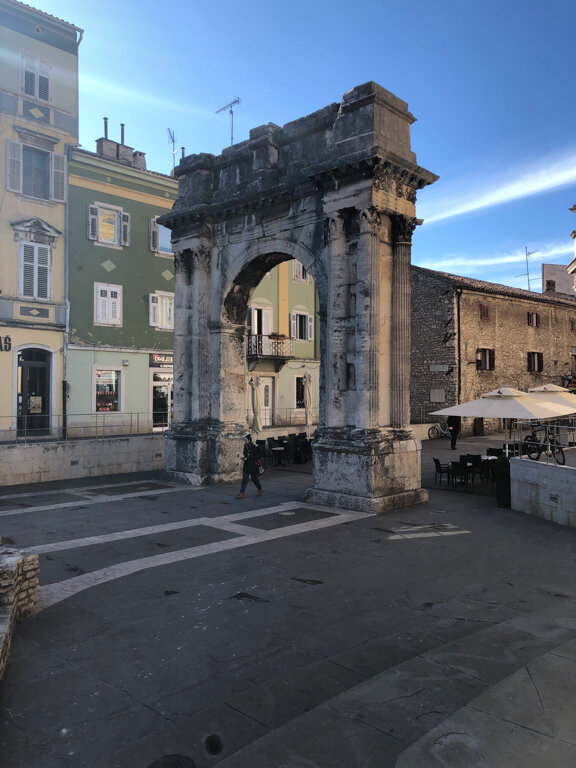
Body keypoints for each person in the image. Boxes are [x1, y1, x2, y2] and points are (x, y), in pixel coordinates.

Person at [236, 434, 263, 499]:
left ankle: (260, 489)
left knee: (254, 479)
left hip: (252, 465)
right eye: (244, 440)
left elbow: (256, 456)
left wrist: (247, 458)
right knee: (244, 480)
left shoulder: (253, 447)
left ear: (249, 440)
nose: (244, 441)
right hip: (246, 466)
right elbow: (246, 454)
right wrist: (243, 457)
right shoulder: (245, 446)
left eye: (246, 440)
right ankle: (242, 493)